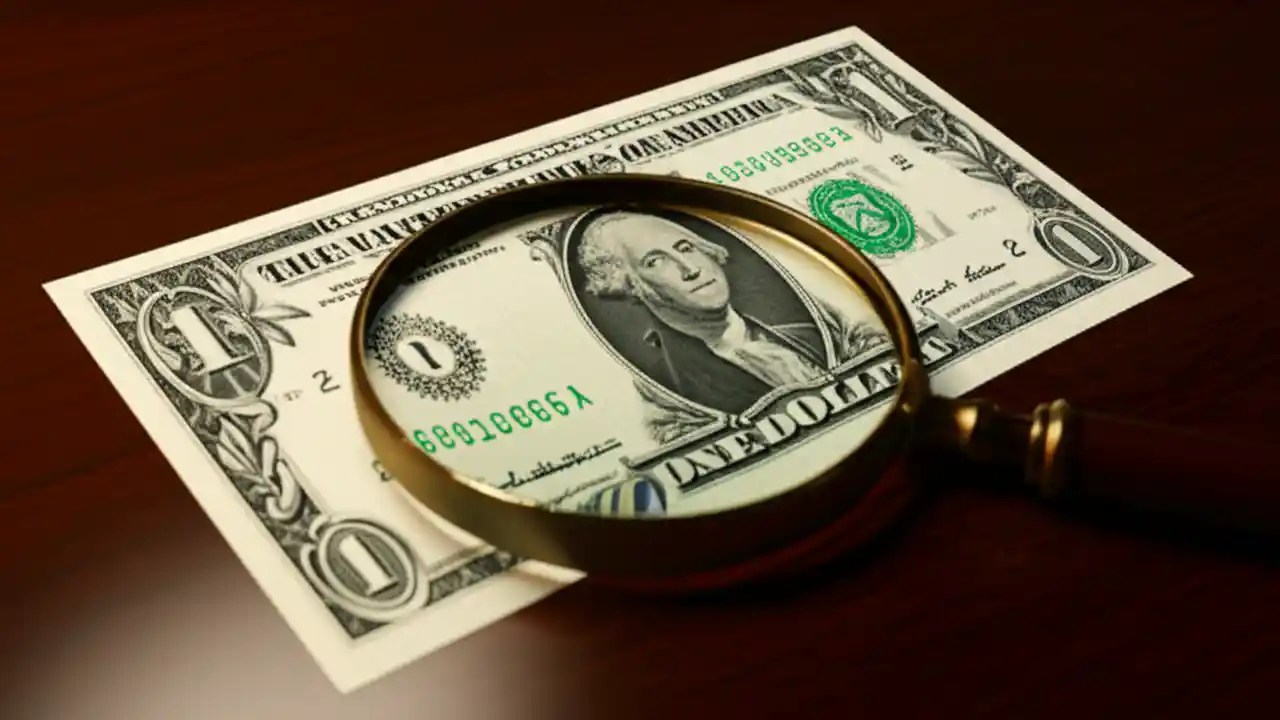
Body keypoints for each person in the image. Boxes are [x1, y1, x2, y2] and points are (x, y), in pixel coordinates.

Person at [575, 210, 880, 416]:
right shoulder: (667, 396)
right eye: (655, 262)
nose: (691, 269)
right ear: (630, 285)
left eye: (685, 247)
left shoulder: (820, 331)